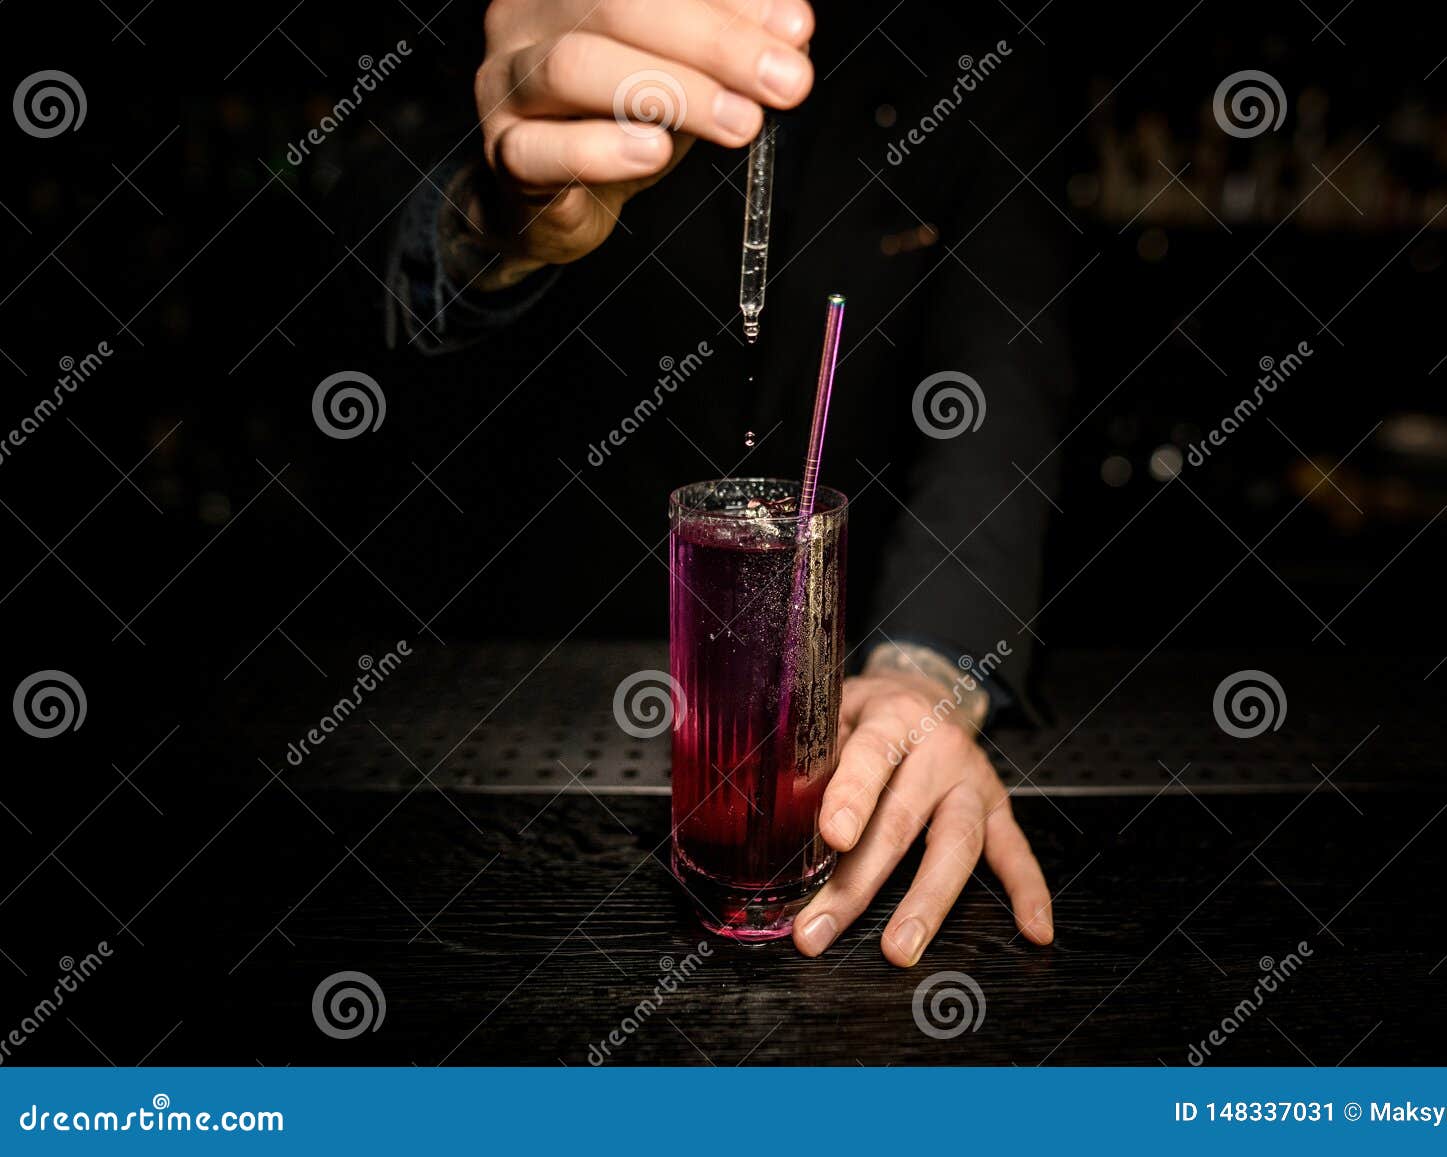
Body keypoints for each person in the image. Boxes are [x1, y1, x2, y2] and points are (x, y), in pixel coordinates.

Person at [386, 0, 1070, 966]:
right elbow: (369, 268)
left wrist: (927, 668)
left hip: (823, 695)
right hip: (529, 673)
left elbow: (1008, 360)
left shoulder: (978, 42)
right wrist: (492, 220)